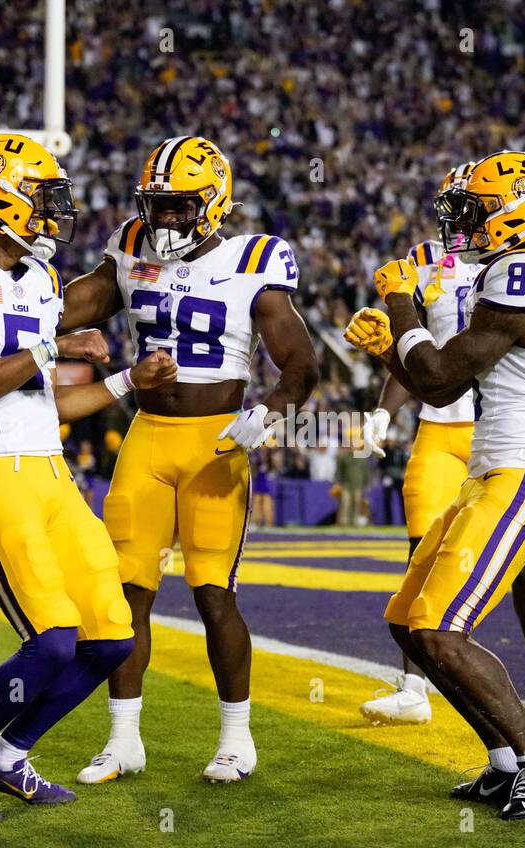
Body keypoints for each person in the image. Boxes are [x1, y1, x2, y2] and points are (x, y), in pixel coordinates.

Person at [0, 133, 176, 823]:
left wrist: (122, 382)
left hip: (50, 471)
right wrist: (50, 346)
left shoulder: (40, 279)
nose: (54, 209)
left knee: (112, 636)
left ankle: (8, 753)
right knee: (52, 637)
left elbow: (46, 400)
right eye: (42, 194)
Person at [61, 135, 319, 784]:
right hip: (147, 436)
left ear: (213, 203)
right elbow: (79, 302)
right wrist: (20, 304)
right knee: (126, 597)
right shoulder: (131, 244)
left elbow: (300, 360)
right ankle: (124, 740)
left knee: (213, 596)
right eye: (157, 205)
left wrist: (271, 411)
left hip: (216, 443)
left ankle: (237, 739)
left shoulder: (255, 258)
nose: (164, 219)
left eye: (178, 206)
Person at [344, 151, 525, 820]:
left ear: (518, 210)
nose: (465, 223)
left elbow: (445, 375)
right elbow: (430, 381)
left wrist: (399, 301)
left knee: (444, 629)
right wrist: (388, 347)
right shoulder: (509, 271)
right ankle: (504, 760)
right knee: (409, 622)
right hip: (489, 470)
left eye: (477, 208)